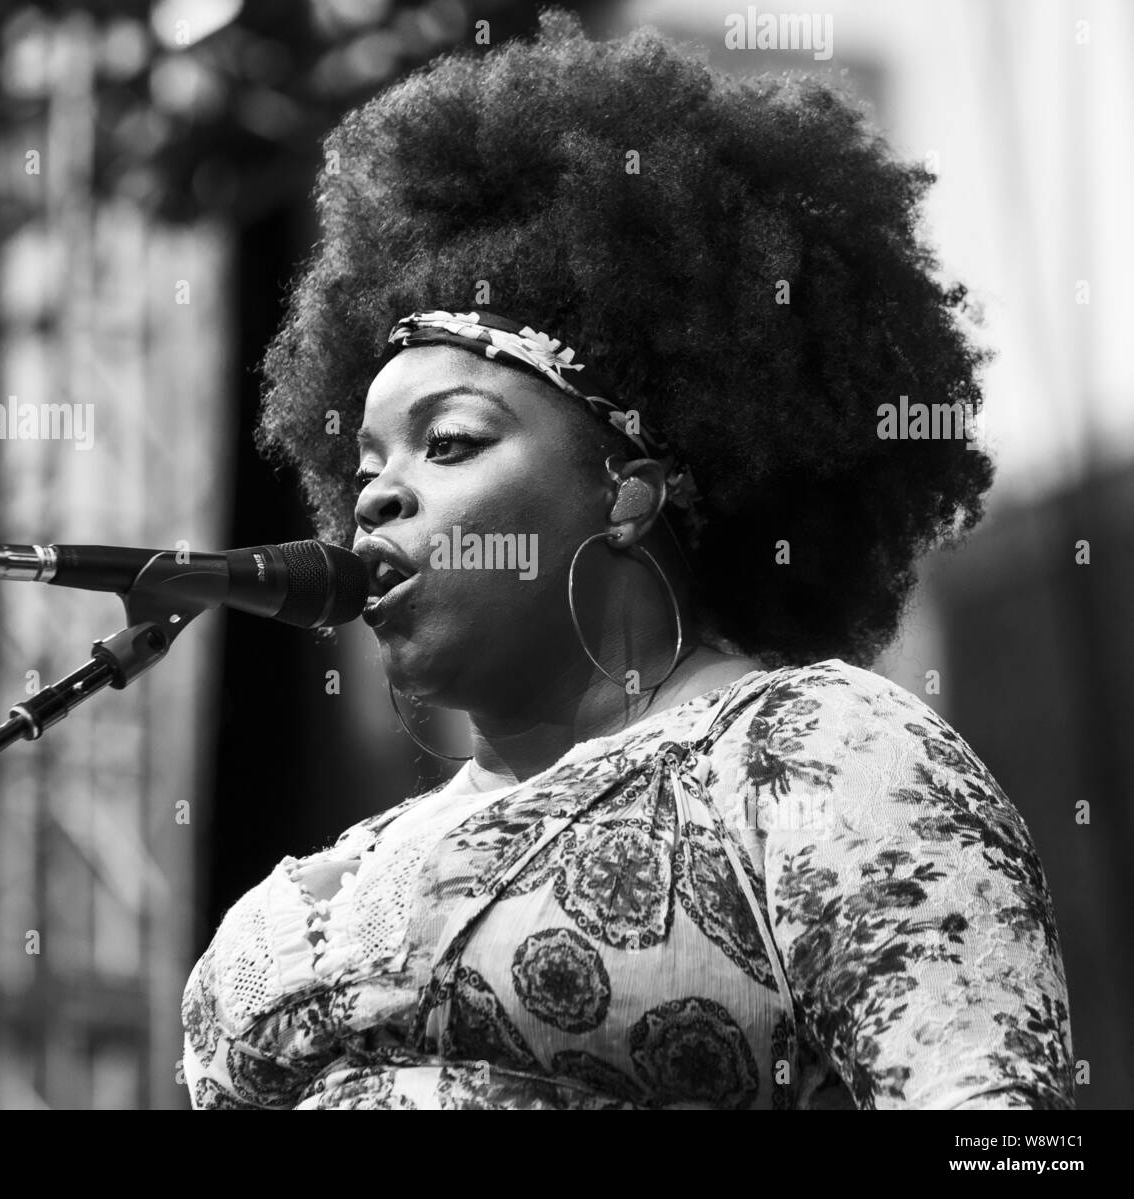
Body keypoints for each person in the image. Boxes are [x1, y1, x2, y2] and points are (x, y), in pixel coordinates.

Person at [180, 9, 1073, 1110]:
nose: (377, 493)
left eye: (448, 440)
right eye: (363, 463)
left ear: (629, 484)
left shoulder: (809, 754)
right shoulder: (333, 876)